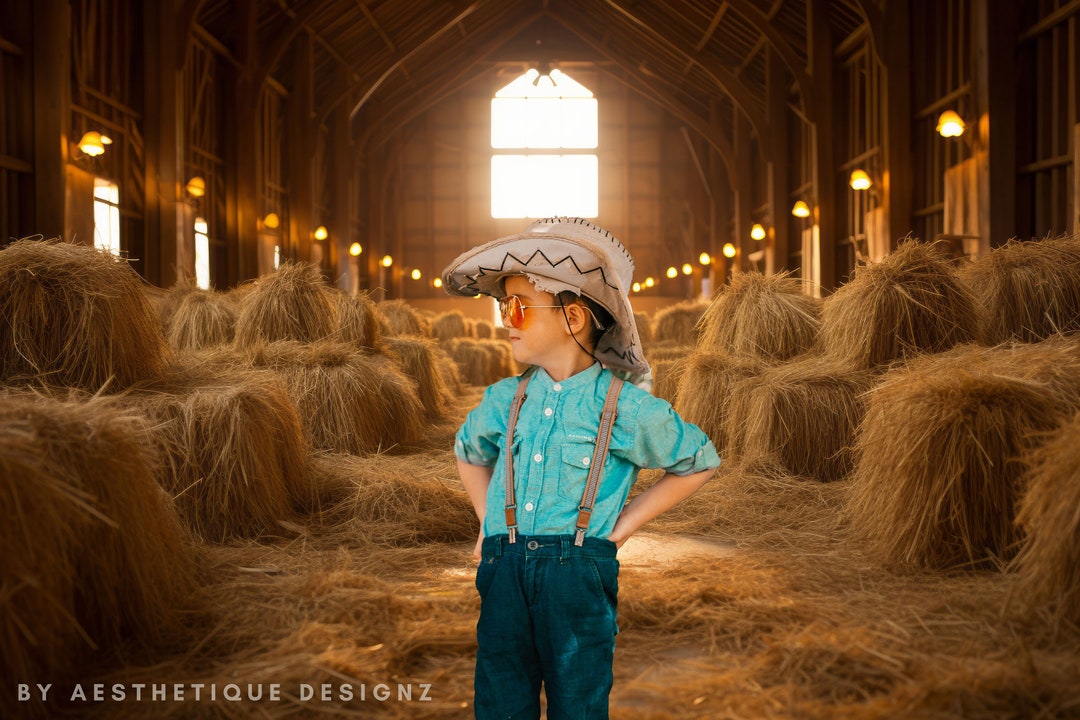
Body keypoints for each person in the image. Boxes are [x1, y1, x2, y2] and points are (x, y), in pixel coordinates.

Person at [442, 217, 721, 720]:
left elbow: (699, 459)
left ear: (573, 317)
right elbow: (468, 451)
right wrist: (487, 521)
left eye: (518, 306)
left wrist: (620, 528)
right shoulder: (505, 399)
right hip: (503, 573)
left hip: (579, 577)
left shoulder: (624, 408)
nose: (506, 319)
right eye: (502, 305)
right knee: (500, 701)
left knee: (580, 705)